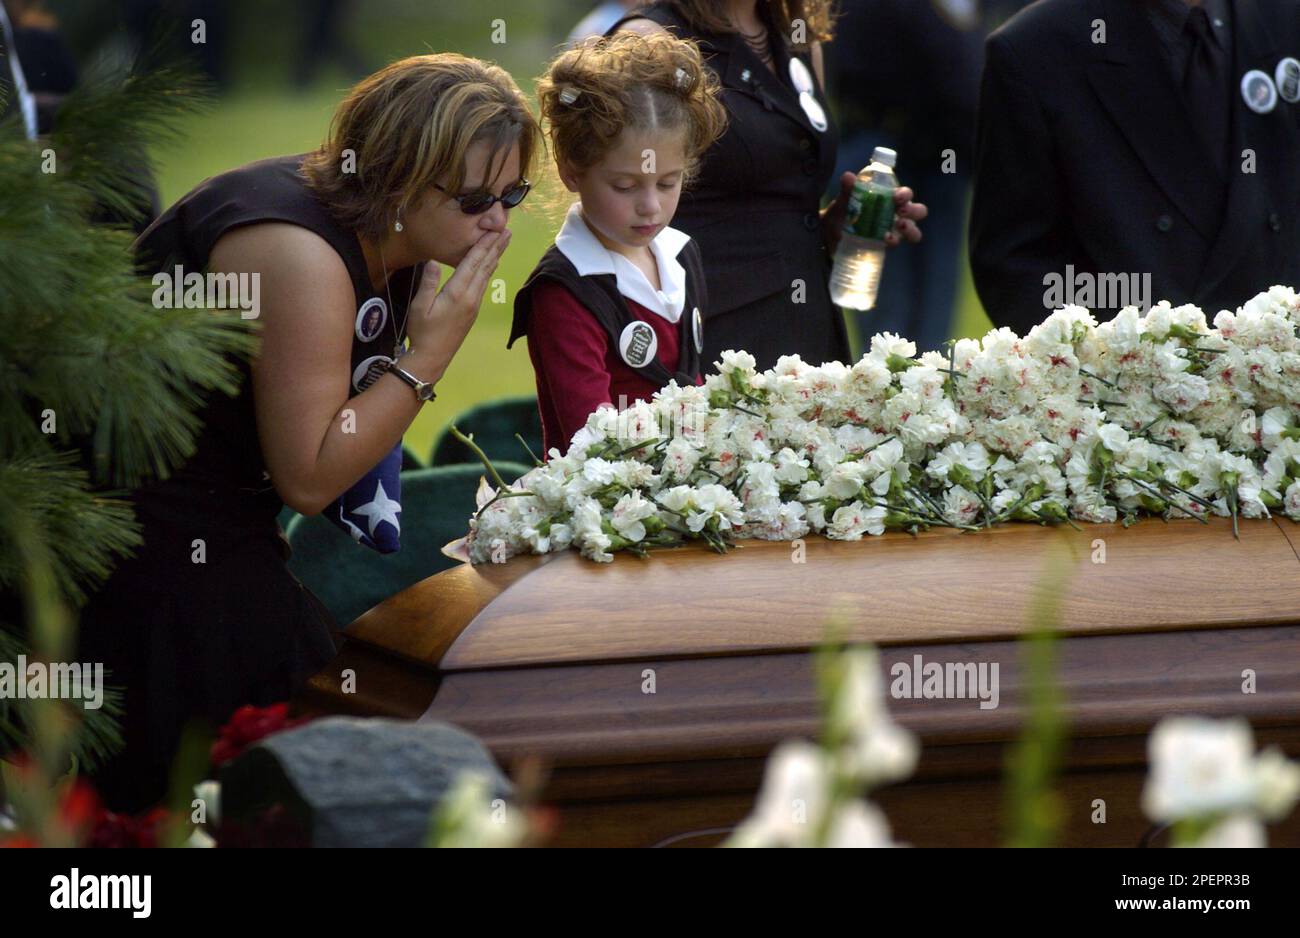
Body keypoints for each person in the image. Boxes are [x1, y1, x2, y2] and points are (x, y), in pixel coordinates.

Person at [76, 54, 539, 811]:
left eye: (512, 193)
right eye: (476, 198)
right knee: (255, 781)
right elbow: (312, 476)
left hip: (224, 530)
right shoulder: (295, 253)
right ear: (394, 176)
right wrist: (430, 352)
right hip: (139, 548)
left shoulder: (387, 233)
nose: (498, 222)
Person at [611, 0, 927, 372]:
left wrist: (833, 225)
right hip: (714, 337)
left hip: (807, 324)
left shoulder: (797, 37)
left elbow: (779, 199)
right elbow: (613, 198)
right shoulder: (649, 40)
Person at [970, 0, 1300, 337]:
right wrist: (1116, 364)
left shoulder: (1283, 16)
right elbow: (1016, 264)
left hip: (1278, 372)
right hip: (1130, 375)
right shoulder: (1036, 48)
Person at [511, 32, 727, 456]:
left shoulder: (681, 253)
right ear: (572, 170)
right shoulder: (565, 290)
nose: (650, 207)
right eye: (625, 186)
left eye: (668, 182)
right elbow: (589, 437)